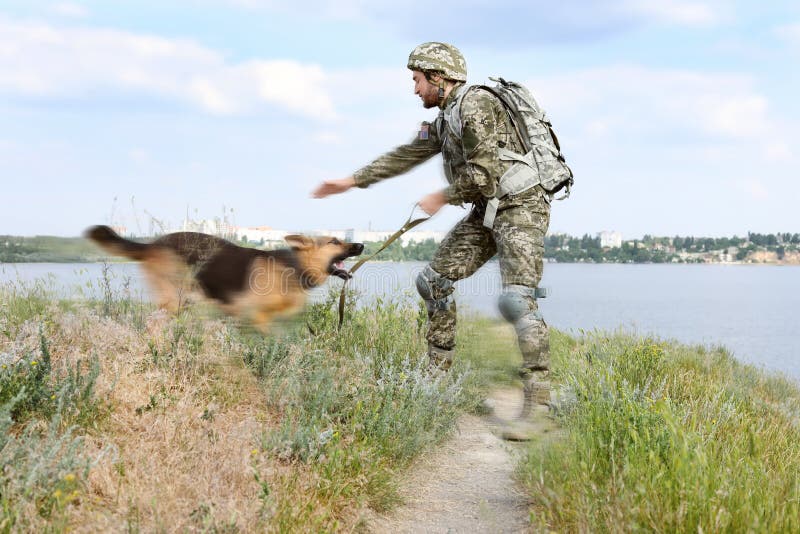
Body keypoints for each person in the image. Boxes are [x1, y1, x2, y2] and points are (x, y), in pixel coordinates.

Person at [312, 42, 553, 429]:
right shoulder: (445, 119)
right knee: (434, 281)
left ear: (438, 78)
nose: (415, 89)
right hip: (487, 209)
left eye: (417, 80)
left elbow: (482, 175)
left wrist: (442, 196)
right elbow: (408, 154)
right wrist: (352, 181)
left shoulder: (474, 105)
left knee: (517, 301)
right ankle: (436, 383)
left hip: (522, 207)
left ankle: (540, 406)